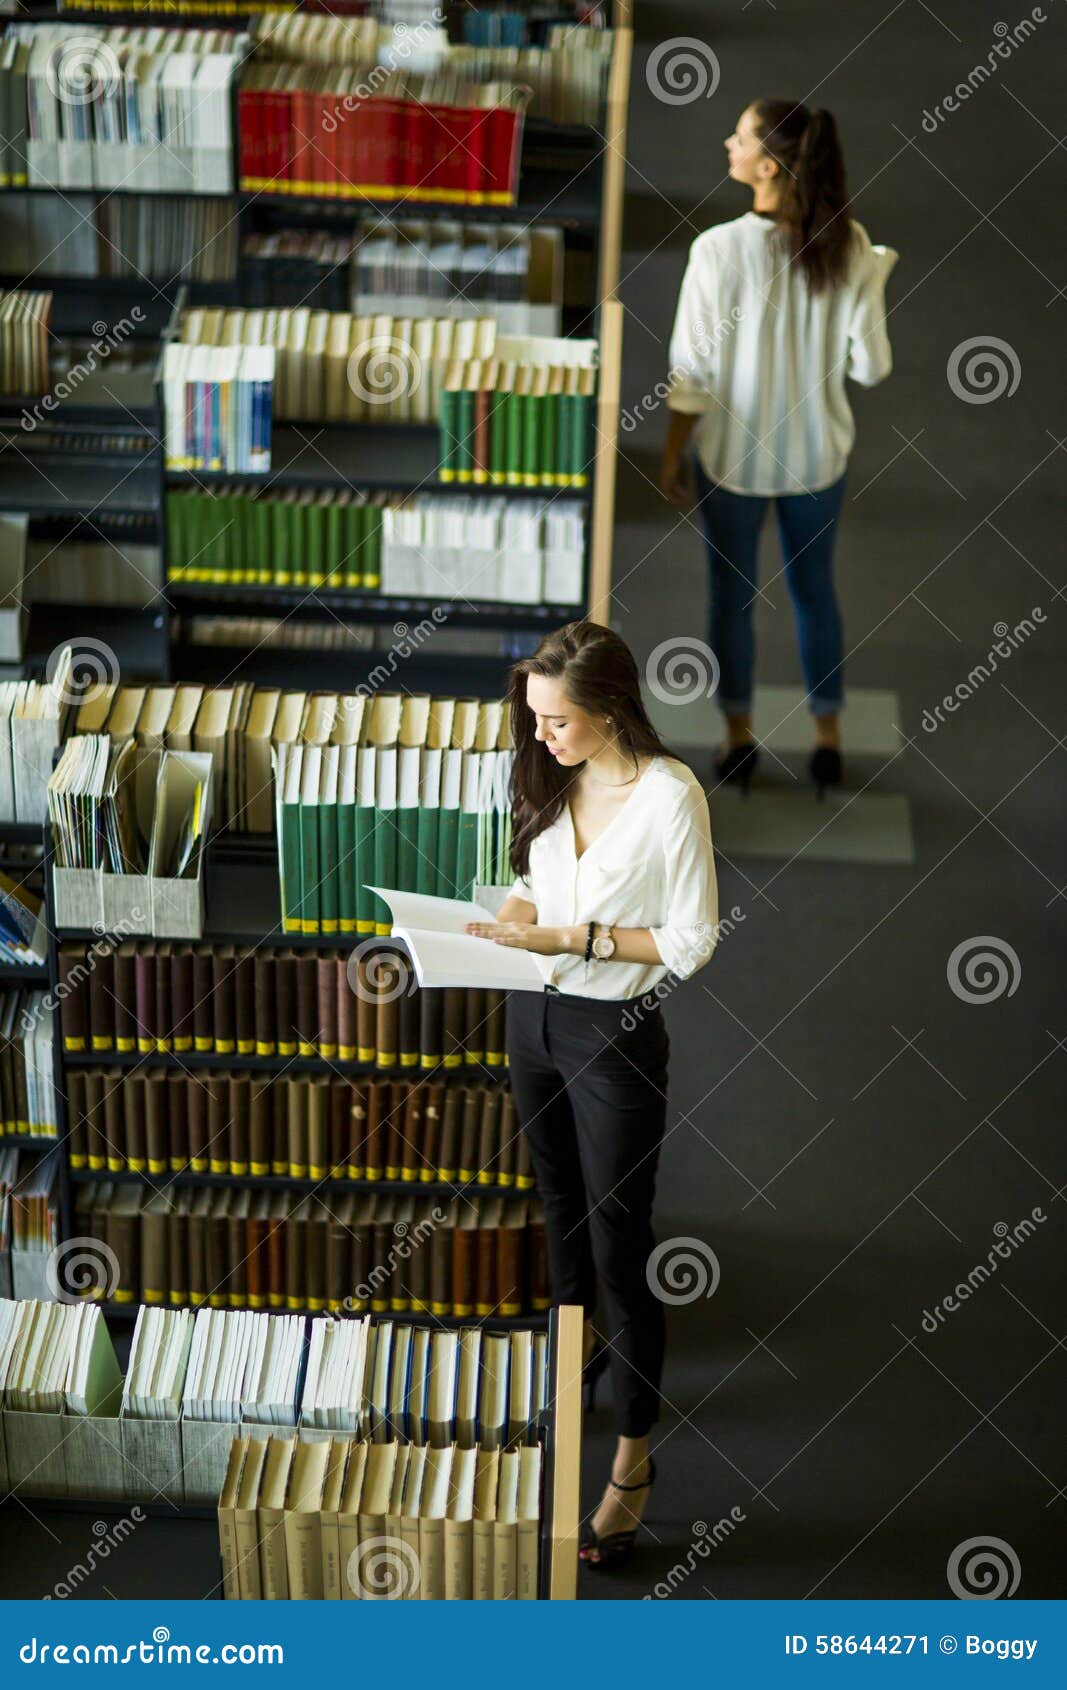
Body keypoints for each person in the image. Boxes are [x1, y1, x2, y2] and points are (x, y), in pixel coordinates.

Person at [466, 620, 719, 1570]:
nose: (540, 737)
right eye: (533, 718)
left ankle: (630, 1462)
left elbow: (692, 941)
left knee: (621, 1244)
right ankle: (575, 1379)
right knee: (558, 1218)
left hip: (612, 1039)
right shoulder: (548, 772)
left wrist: (576, 941)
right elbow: (534, 881)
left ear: (610, 709)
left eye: (556, 721)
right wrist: (508, 922)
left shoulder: (668, 799)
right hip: (529, 1021)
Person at [661, 99, 898, 797]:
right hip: (817, 459)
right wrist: (874, 277)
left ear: (766, 165)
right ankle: (827, 739)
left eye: (737, 137)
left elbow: (690, 374)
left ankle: (737, 741)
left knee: (728, 600)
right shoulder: (849, 244)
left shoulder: (716, 250)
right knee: (814, 594)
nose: (726, 144)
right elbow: (870, 368)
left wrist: (674, 453)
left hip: (731, 459)